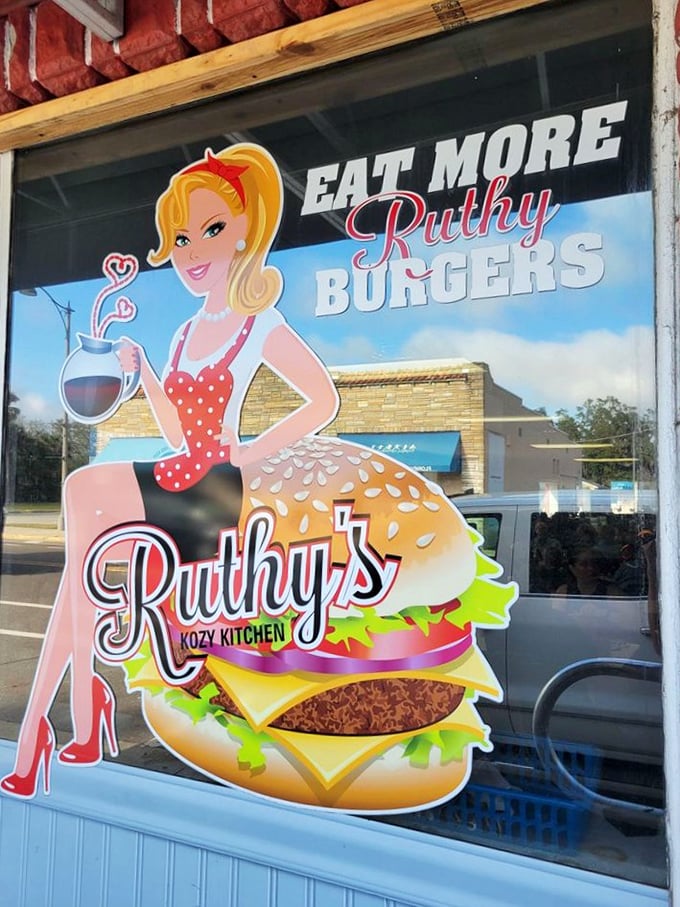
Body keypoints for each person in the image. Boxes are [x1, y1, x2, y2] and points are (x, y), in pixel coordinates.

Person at [1, 144, 340, 798]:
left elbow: (321, 398)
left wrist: (249, 452)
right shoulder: (186, 333)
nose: (192, 251)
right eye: (182, 237)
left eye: (212, 229)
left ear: (247, 229)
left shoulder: (257, 322)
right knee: (81, 547)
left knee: (82, 514)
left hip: (213, 493)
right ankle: (67, 718)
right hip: (181, 470)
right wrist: (149, 372)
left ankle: (55, 725)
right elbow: (179, 432)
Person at [554, 545, 623, 597]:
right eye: (584, 564)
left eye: (594, 563)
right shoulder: (563, 592)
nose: (590, 568)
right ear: (572, 568)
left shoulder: (612, 592)